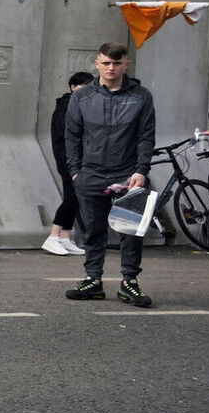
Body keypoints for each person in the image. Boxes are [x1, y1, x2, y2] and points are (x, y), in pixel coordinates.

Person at [64, 42, 157, 308]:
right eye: (106, 63)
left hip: (128, 174)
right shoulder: (82, 97)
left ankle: (130, 282)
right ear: (97, 64)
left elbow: (145, 137)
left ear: (126, 64)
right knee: (93, 230)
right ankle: (93, 280)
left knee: (131, 231)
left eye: (117, 63)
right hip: (90, 174)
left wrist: (141, 171)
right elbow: (72, 136)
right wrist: (75, 172)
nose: (111, 68)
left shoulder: (141, 96)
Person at [44, 71, 95, 256]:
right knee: (72, 197)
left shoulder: (78, 105)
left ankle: (65, 237)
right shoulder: (66, 107)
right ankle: (53, 236)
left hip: (78, 159)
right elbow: (67, 136)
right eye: (84, 87)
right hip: (68, 159)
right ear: (73, 87)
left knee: (75, 197)